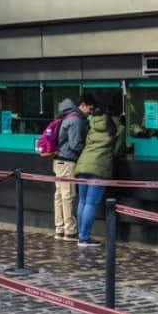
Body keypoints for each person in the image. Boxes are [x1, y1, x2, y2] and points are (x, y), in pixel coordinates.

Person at [74, 105, 125, 247]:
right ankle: (84, 238)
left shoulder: (93, 126)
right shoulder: (118, 128)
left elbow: (87, 144)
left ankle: (81, 236)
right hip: (99, 167)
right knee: (90, 203)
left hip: (83, 164)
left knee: (82, 201)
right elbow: (117, 151)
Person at [53, 94, 96, 241]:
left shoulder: (66, 116)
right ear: (83, 105)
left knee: (59, 196)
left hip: (59, 161)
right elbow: (75, 145)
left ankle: (60, 228)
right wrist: (88, 150)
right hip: (68, 162)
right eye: (90, 109)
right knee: (68, 196)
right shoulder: (76, 120)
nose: (90, 113)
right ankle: (70, 231)